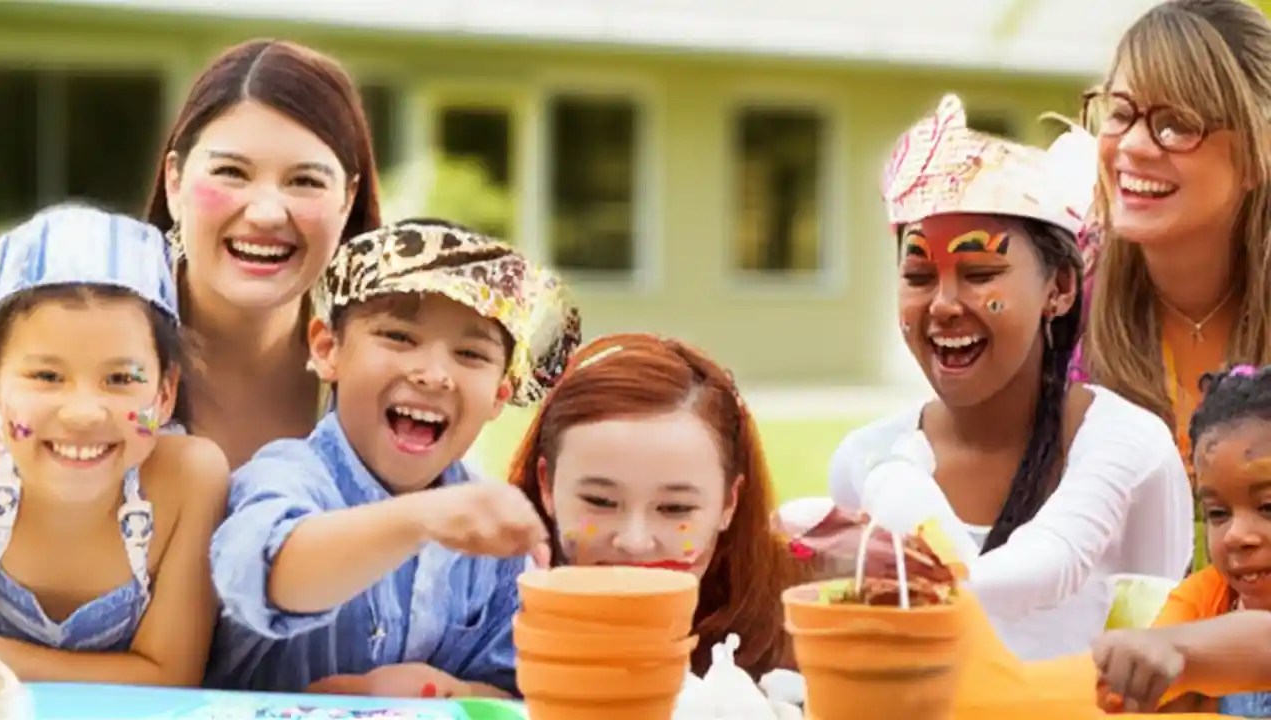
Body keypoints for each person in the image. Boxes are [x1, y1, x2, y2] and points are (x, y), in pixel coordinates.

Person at [828, 95, 1194, 660]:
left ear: (1061, 289)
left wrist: (900, 491)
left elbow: (1153, 647)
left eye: (980, 273)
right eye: (919, 275)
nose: (944, 305)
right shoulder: (863, 459)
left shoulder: (1130, 447)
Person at [207, 218, 582, 697]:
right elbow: (270, 575)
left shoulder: (490, 530)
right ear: (327, 349)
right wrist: (422, 519)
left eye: (470, 354)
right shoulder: (287, 474)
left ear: (498, 396)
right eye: (399, 337)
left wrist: (447, 691)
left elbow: (519, 689)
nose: (433, 374)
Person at [0, 205, 228, 684]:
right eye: (46, 376)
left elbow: (169, 676)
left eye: (120, 378)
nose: (83, 412)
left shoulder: (189, 480)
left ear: (165, 394)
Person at [144, 38, 383, 466]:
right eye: (232, 173)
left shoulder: (381, 377)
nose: (268, 213)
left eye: (305, 181)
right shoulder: (90, 345)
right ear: (174, 182)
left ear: (348, 200)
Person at [510, 333, 805, 678]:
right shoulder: (478, 619)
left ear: (729, 502)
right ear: (546, 485)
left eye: (675, 508)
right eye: (600, 501)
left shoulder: (802, 633)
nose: (635, 542)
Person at [1072, 0, 1271, 484]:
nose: (1133, 145)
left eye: (1176, 123)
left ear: (1255, 152)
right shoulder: (1060, 303)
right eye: (1120, 113)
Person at [1094, 364, 1271, 715]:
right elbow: (1150, 677)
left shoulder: (1188, 638)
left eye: (1267, 505)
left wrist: (1179, 651)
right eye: (1218, 513)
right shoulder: (1205, 598)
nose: (1236, 536)